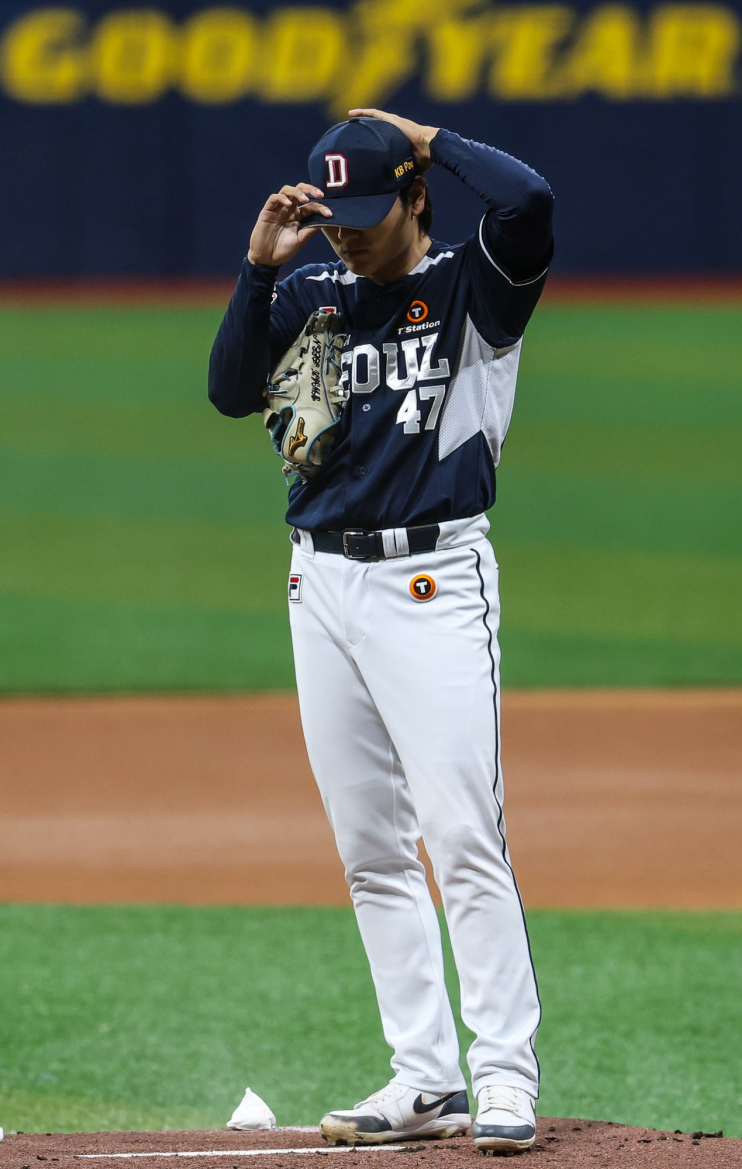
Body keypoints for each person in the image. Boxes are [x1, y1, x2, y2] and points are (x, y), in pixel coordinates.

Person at [209, 108, 554, 1156]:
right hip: (319, 585)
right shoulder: (309, 292)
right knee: (369, 847)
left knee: (463, 834)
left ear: (413, 197)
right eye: (336, 217)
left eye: (369, 212)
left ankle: (504, 1071)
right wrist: (258, 269)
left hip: (431, 582)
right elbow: (229, 392)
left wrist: (428, 136)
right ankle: (425, 1075)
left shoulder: (473, 287)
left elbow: (529, 199)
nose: (350, 235)